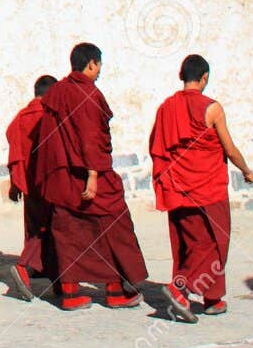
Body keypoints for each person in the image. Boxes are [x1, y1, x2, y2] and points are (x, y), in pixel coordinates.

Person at [33, 42, 194, 321]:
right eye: (99, 66)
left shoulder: (57, 91)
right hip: (88, 176)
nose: (99, 72)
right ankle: (117, 289)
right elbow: (90, 137)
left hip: (63, 177)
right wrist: (93, 176)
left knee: (69, 230)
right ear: (92, 64)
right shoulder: (87, 94)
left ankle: (71, 292)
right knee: (115, 225)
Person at [149, 53, 253, 316]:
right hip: (208, 187)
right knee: (212, 243)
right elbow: (229, 148)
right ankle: (178, 288)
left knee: (190, 243)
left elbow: (157, 149)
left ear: (181, 76)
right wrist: (246, 170)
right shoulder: (213, 108)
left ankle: (213, 298)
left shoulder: (165, 108)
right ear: (205, 77)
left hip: (178, 186)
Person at [3, 74, 58, 301]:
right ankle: (24, 267)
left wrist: (16, 181)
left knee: (36, 225)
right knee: (49, 228)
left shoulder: (22, 116)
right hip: (48, 181)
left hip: (28, 182)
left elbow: (12, 138)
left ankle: (51, 275)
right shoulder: (48, 114)